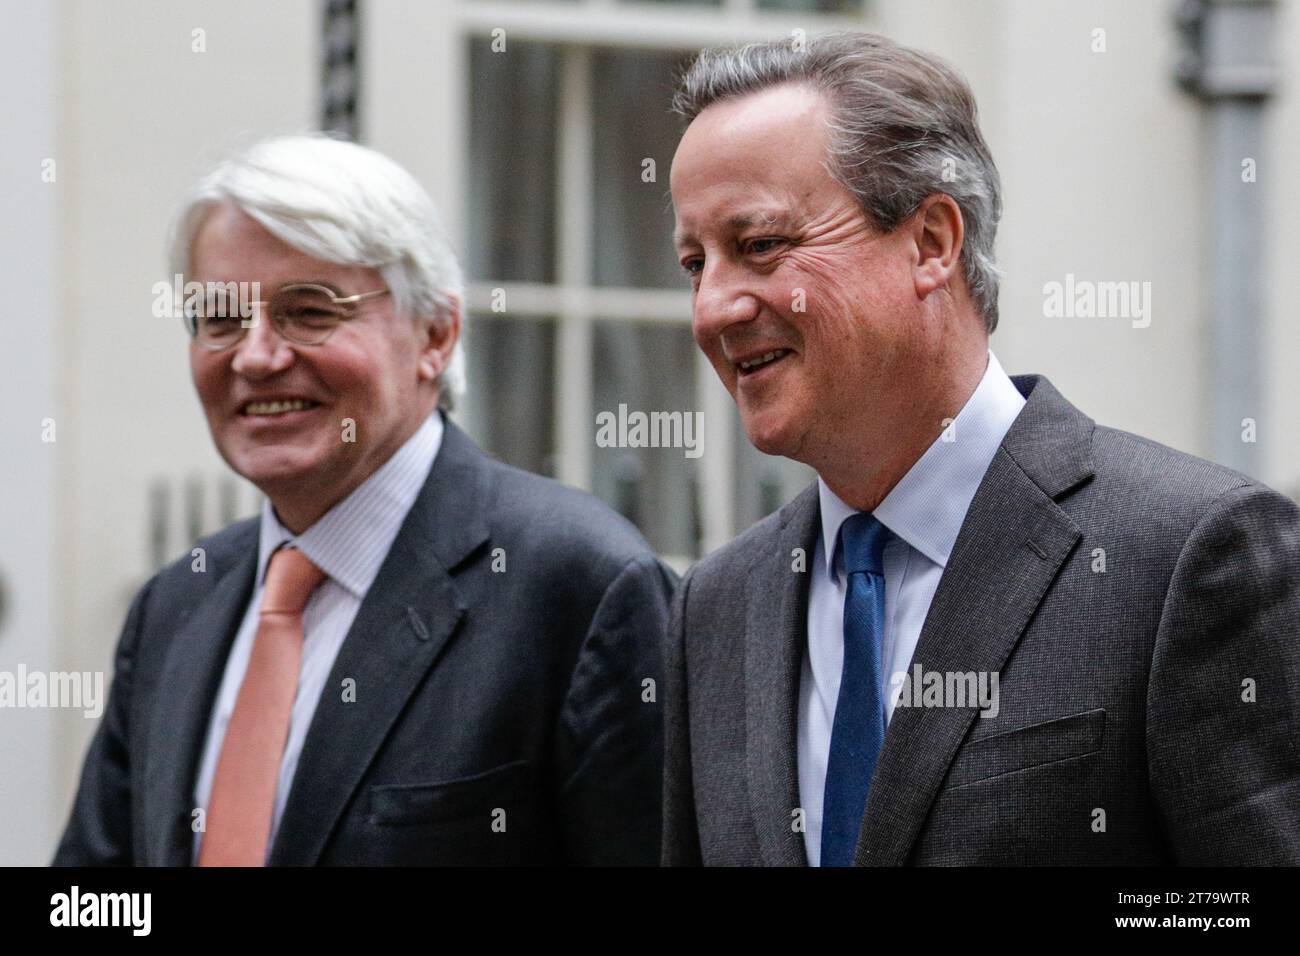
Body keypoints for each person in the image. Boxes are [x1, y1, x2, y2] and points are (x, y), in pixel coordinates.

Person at [663, 32, 1300, 866]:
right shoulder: (715, 607)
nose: (712, 309)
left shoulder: (1191, 554)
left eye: (760, 246)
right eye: (693, 263)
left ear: (931, 242)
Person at [54, 135, 671, 866]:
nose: (255, 356)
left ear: (435, 335)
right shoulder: (176, 607)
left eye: (308, 312)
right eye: (219, 318)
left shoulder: (576, 585)